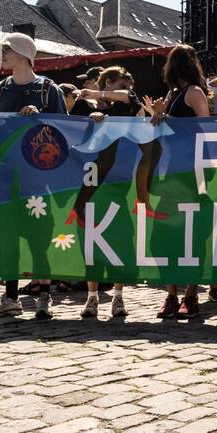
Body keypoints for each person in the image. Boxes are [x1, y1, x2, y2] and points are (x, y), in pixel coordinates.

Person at [0, 34, 67, 320]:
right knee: (8, 235)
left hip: (38, 175)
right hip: (5, 176)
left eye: (8, 49)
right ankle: (10, 297)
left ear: (25, 54)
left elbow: (64, 131)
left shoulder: (48, 90)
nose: (3, 54)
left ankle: (44, 296)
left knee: (40, 236)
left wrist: (39, 117)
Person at [70, 66, 142, 320]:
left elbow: (130, 99)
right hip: (89, 188)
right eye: (121, 85)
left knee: (119, 240)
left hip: (118, 186)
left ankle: (119, 297)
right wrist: (93, 118)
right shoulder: (83, 109)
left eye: (128, 86)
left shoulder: (126, 108)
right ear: (107, 84)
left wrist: (98, 96)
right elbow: (71, 136)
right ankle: (92, 297)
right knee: (89, 244)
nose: (127, 90)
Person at [148, 45, 212, 320]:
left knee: (190, 235)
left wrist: (167, 118)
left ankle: (190, 294)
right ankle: (171, 293)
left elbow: (206, 126)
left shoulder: (194, 93)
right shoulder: (173, 94)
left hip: (192, 171)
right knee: (163, 236)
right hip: (170, 171)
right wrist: (154, 117)